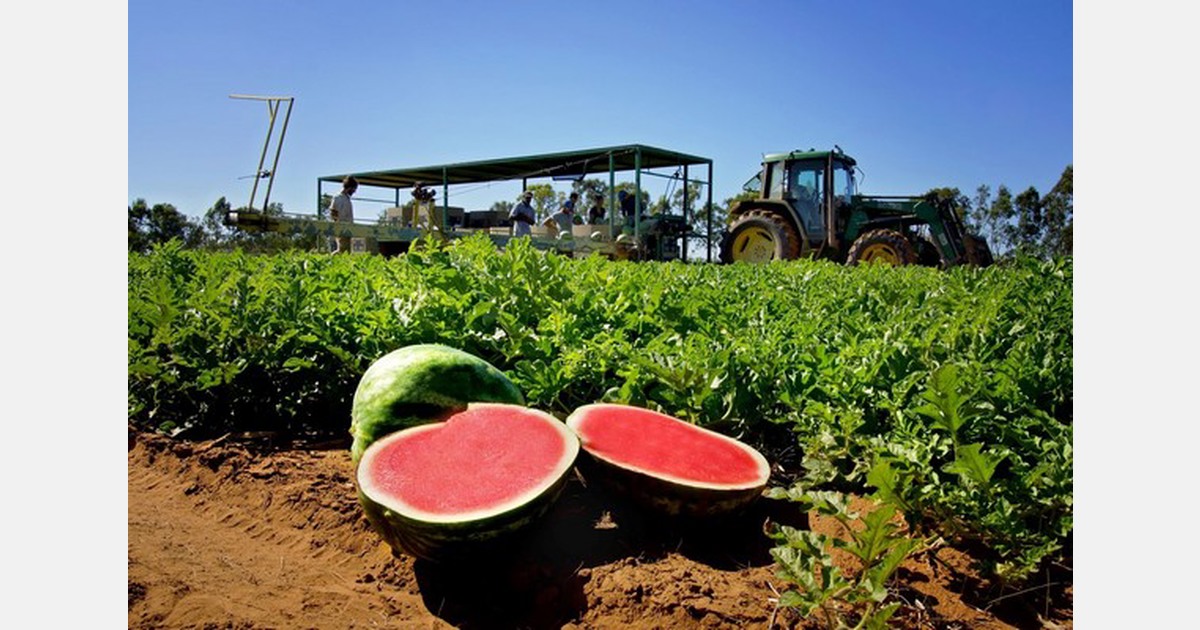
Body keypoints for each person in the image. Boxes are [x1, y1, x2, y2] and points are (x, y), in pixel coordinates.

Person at [328, 176, 357, 253]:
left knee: (347, 250)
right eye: (354, 189)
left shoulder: (347, 199)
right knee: (342, 250)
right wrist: (338, 226)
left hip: (348, 229)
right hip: (341, 229)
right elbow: (333, 212)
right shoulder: (338, 198)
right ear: (350, 187)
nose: (354, 191)